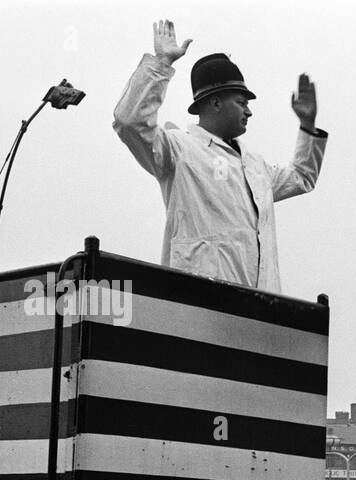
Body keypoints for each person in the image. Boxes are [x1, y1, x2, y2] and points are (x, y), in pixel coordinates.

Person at [112, 19, 327, 292]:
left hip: (261, 313)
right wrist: (162, 63)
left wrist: (307, 125)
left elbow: (302, 178)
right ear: (215, 102)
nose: (248, 112)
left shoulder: (255, 167)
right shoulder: (179, 151)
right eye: (241, 103)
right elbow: (129, 122)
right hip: (200, 310)